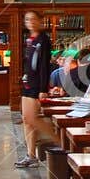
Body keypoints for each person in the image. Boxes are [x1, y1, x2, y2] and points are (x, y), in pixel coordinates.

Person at [17, 10, 53, 167]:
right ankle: (31, 155)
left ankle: (56, 141)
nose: (30, 21)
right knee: (26, 119)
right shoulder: (29, 39)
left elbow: (44, 65)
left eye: (33, 19)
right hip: (28, 82)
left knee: (32, 118)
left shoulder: (43, 40)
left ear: (40, 21)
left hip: (37, 84)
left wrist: (43, 87)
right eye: (27, 19)